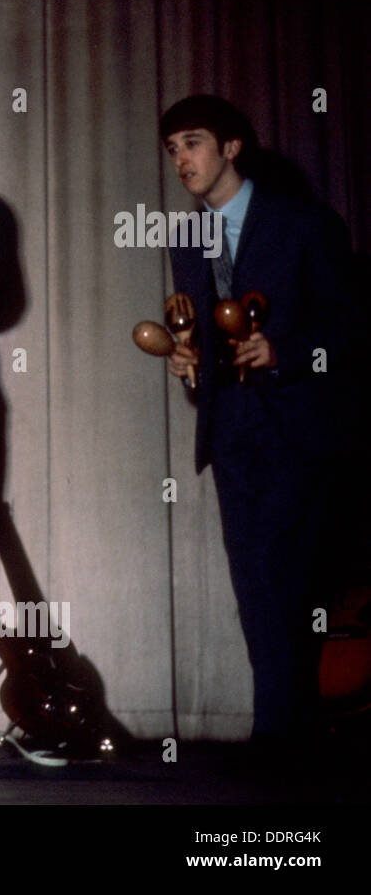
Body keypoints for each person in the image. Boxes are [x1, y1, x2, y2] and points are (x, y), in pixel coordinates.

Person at [160, 94, 357, 755]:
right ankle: (282, 728)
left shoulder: (304, 225)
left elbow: (351, 329)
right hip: (230, 427)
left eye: (192, 142)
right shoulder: (185, 237)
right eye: (173, 149)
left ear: (232, 147)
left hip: (299, 425)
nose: (181, 159)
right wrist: (191, 363)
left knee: (289, 578)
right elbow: (202, 332)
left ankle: (281, 730)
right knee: (253, 580)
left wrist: (287, 351)